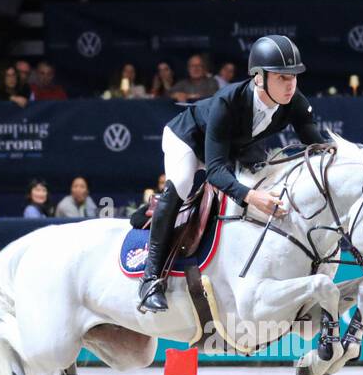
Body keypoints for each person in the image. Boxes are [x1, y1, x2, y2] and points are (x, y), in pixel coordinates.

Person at [138, 35, 324, 313]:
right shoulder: (228, 101)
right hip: (188, 139)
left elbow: (319, 148)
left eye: (294, 77)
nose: (291, 85)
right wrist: (251, 197)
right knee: (183, 185)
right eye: (282, 78)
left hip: (237, 146)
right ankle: (151, 280)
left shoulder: (295, 102)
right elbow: (214, 171)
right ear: (259, 78)